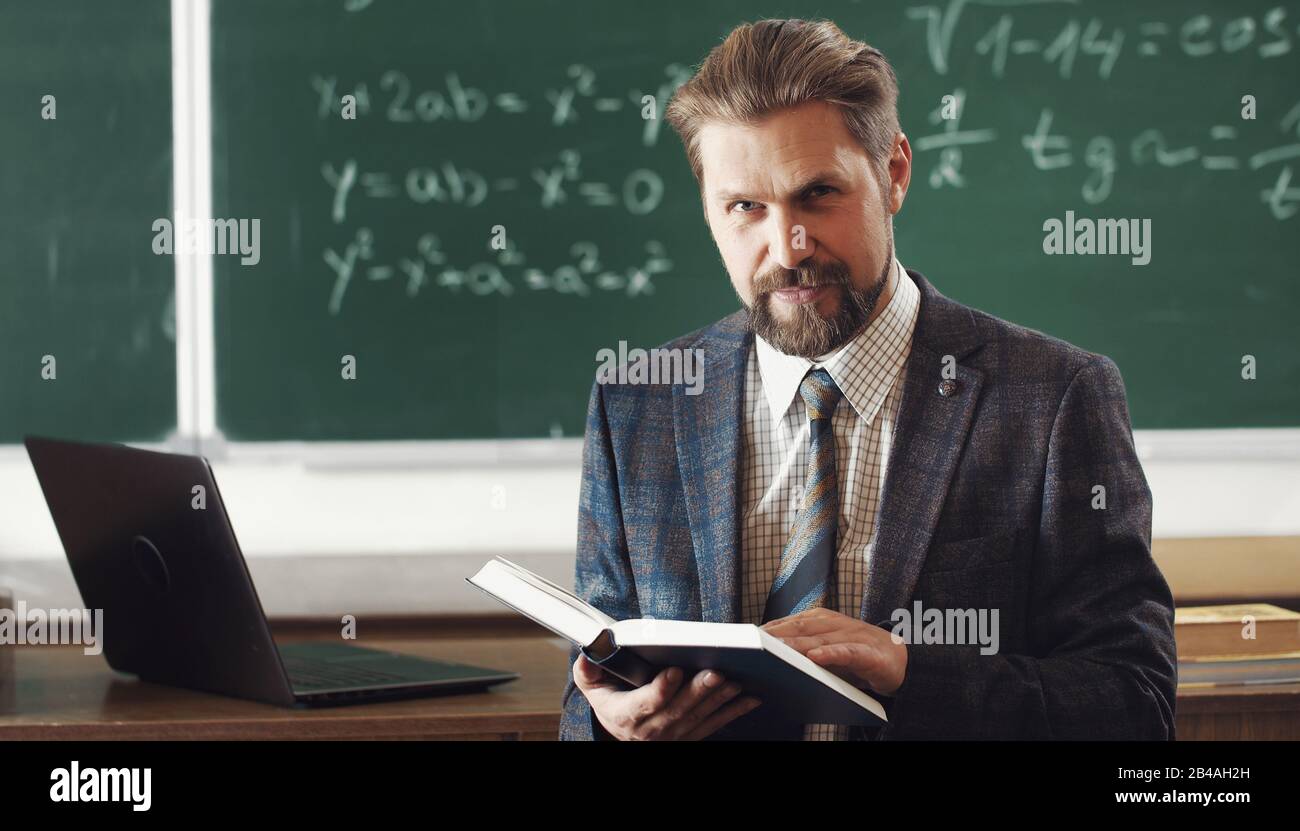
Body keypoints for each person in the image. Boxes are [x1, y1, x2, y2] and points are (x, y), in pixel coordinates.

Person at [559, 18, 1177, 740]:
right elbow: (588, 694)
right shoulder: (637, 407)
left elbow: (1134, 706)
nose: (787, 248)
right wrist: (613, 725)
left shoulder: (1057, 399)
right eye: (745, 208)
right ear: (707, 207)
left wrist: (909, 673)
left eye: (817, 195)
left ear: (894, 173)